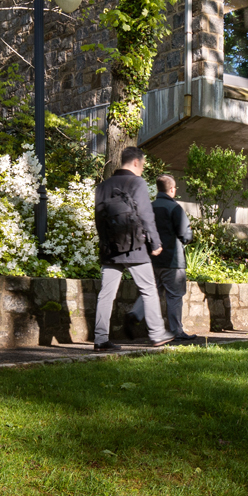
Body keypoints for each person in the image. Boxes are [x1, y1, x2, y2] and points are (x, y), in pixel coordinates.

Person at [92, 147, 172, 351]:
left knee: (106, 294)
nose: (142, 169)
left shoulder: (102, 186)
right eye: (143, 165)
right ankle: (157, 334)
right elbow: (146, 214)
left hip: (110, 248)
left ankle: (101, 340)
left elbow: (99, 219)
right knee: (148, 290)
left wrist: (105, 244)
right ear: (136, 162)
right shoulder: (137, 182)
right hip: (135, 247)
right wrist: (155, 243)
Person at [125, 174, 195, 342]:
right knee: (174, 295)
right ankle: (176, 331)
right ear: (172, 189)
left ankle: (135, 314)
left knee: (151, 291)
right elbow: (185, 235)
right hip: (173, 260)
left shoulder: (148, 207)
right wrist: (188, 238)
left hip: (152, 259)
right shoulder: (175, 208)